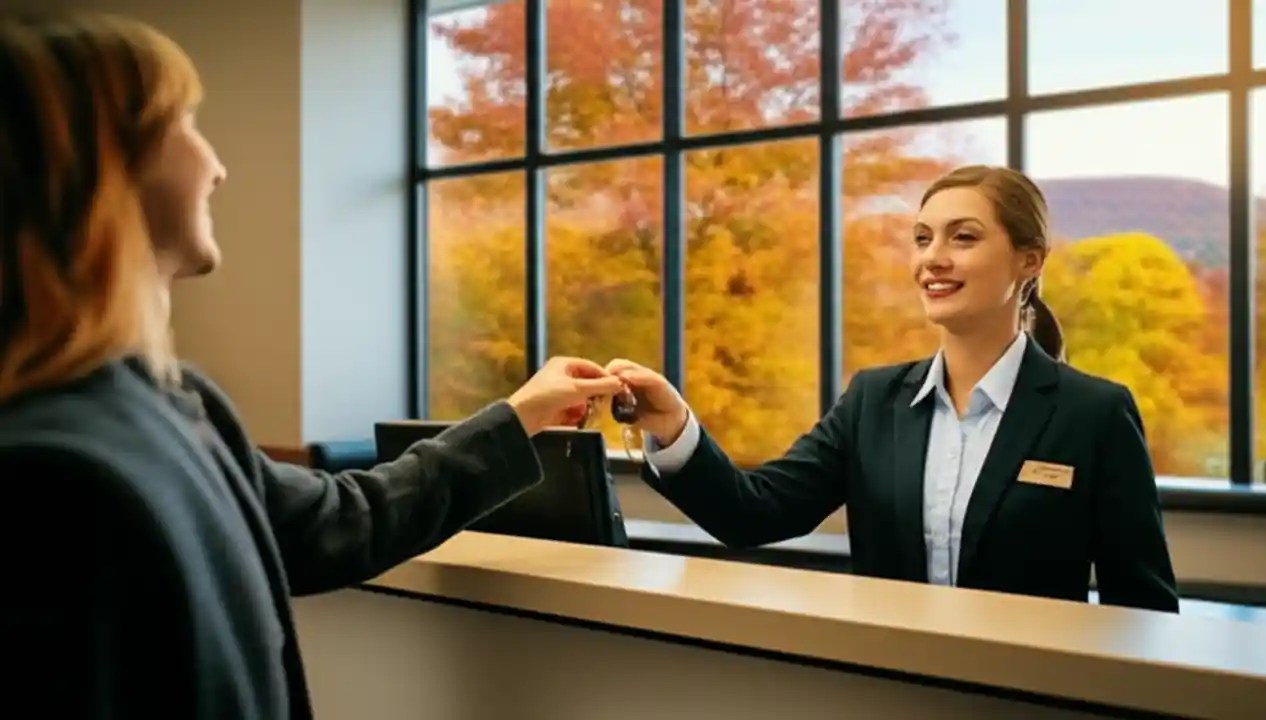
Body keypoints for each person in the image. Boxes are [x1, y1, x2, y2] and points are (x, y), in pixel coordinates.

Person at [0, 13, 623, 718]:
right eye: (185, 124)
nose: (216, 167)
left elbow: (342, 520)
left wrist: (520, 416)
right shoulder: (45, 484)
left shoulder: (184, 405)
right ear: (102, 169)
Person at [608, 165, 1180, 613]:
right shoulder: (872, 401)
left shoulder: (1095, 413)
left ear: (1029, 261)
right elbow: (752, 514)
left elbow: (1143, 607)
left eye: (963, 237)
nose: (933, 258)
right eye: (923, 238)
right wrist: (673, 426)